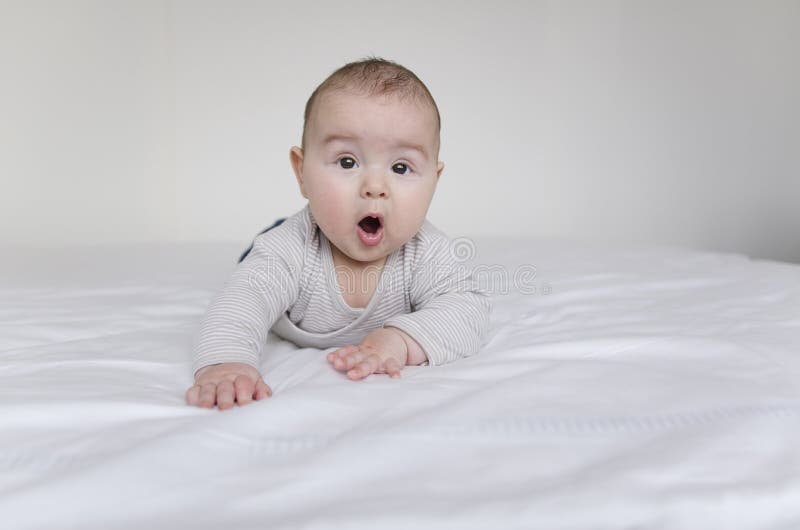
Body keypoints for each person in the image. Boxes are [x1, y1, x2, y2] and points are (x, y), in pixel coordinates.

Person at [186, 57, 492, 410]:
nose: (375, 187)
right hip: (286, 243)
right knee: (254, 270)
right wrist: (226, 362)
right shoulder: (289, 250)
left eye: (400, 167)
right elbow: (242, 303)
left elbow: (468, 311)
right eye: (347, 162)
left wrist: (399, 341)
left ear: (434, 183)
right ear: (302, 174)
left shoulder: (428, 252)